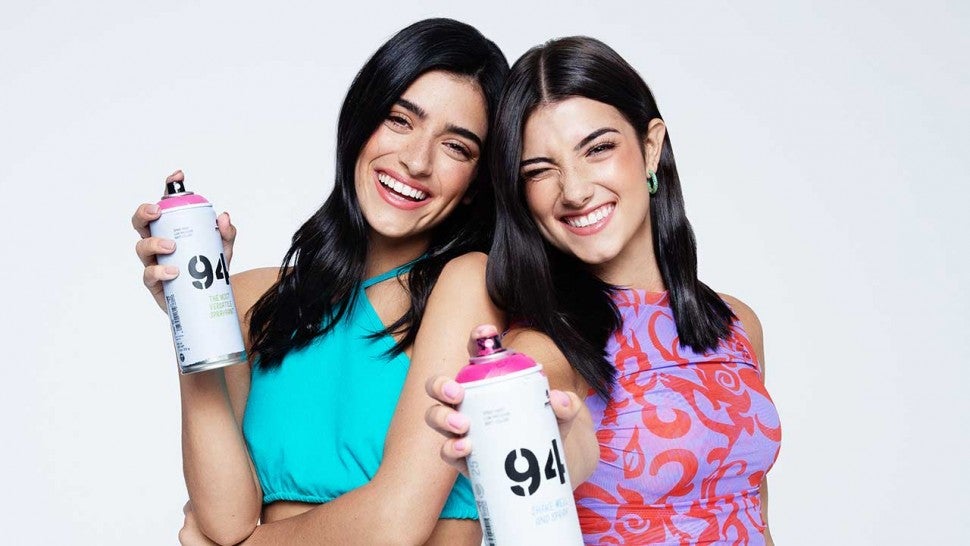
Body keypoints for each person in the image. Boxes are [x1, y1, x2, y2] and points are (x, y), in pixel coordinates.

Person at [133, 18, 514, 545]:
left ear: (475, 183)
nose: (416, 161)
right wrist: (194, 315)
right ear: (361, 123)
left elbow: (393, 525)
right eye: (400, 120)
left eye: (457, 147)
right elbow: (224, 519)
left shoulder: (469, 284)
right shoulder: (257, 299)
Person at [426, 37, 782, 545]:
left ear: (651, 147)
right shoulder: (543, 351)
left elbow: (755, 515)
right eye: (540, 170)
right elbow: (563, 450)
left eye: (597, 149)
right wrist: (537, 450)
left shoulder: (737, 323)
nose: (574, 190)